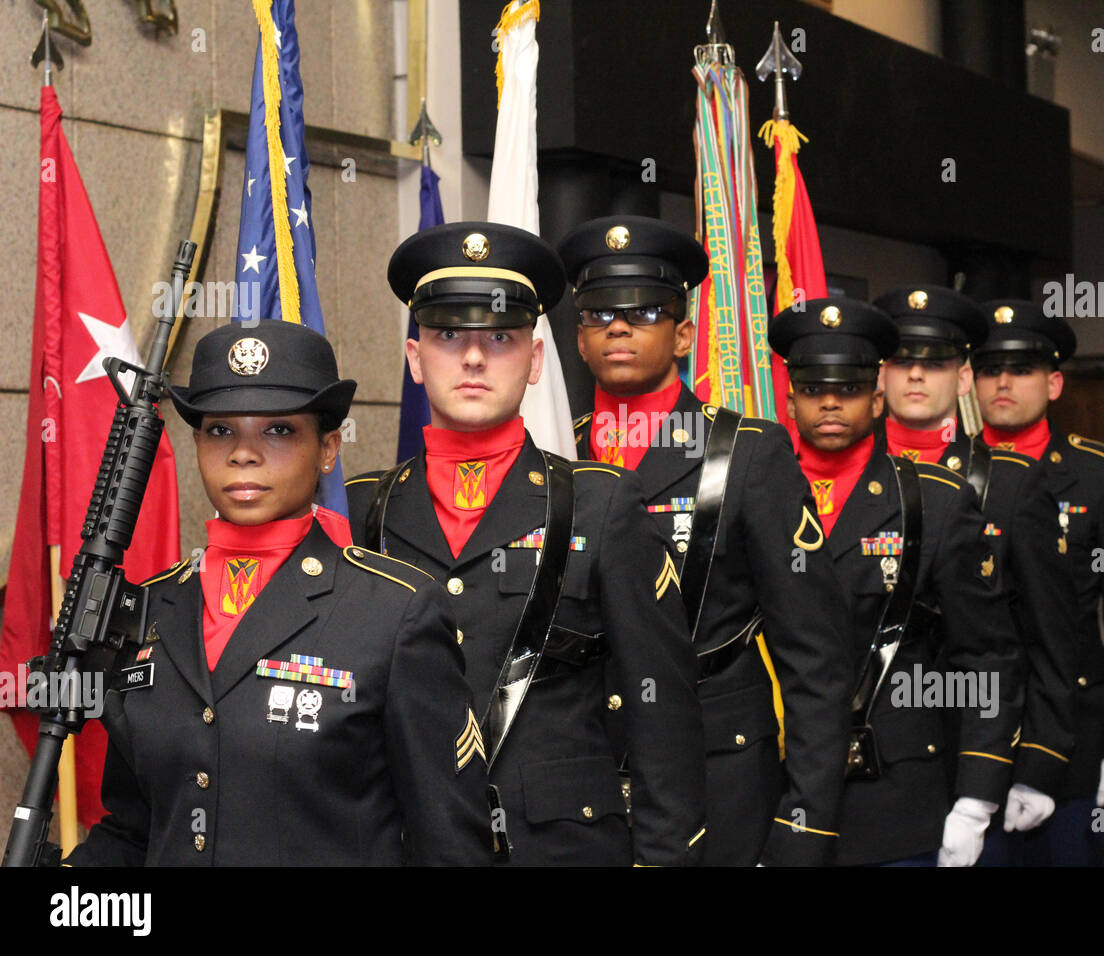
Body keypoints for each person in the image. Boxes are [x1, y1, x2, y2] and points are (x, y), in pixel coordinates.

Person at [65, 320, 492, 865]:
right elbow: (133, 833)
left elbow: (449, 843)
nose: (244, 453)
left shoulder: (394, 611)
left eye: (278, 430)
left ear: (329, 448)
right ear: (196, 441)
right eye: (221, 430)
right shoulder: (150, 607)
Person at [346, 222, 706, 866]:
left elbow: (664, 717)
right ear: (413, 357)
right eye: (448, 334)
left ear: (536, 361)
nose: (475, 357)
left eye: (502, 337)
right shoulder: (361, 506)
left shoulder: (601, 503)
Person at [558, 215, 853, 866]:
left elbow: (817, 662)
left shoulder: (749, 456)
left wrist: (805, 826)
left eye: (645, 311)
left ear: (684, 331)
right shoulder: (557, 458)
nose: (618, 326)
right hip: (584, 784)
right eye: (598, 312)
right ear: (578, 339)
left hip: (722, 780)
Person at [769, 296, 1023, 866]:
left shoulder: (934, 500)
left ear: (877, 397)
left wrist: (978, 796)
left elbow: (985, 656)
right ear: (790, 399)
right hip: (776, 795)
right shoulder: (758, 494)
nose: (831, 401)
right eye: (813, 387)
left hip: (893, 798)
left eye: (851, 387)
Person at [874, 286, 1079, 860]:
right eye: (902, 361)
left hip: (979, 755)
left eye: (935, 362)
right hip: (875, 756)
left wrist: (1039, 766)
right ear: (879, 374)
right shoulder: (840, 480)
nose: (917, 376)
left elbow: (1052, 643)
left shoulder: (1011, 484)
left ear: (963, 378)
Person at [972, 298, 1104, 867]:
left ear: (1053, 383)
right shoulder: (943, 475)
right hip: (971, 727)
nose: (1003, 382)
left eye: (1021, 370)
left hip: (1075, 733)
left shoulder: (1099, 475)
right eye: (989, 369)